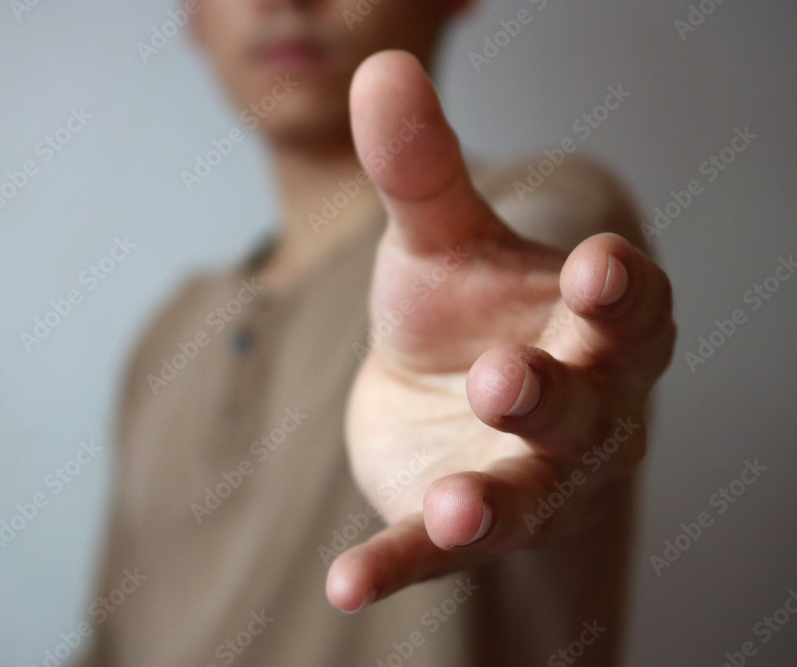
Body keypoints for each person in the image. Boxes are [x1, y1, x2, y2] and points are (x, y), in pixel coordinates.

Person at [75, 0, 675, 664]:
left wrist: (515, 332)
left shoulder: (553, 201)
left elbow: (551, 239)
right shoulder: (167, 333)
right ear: (189, 14)